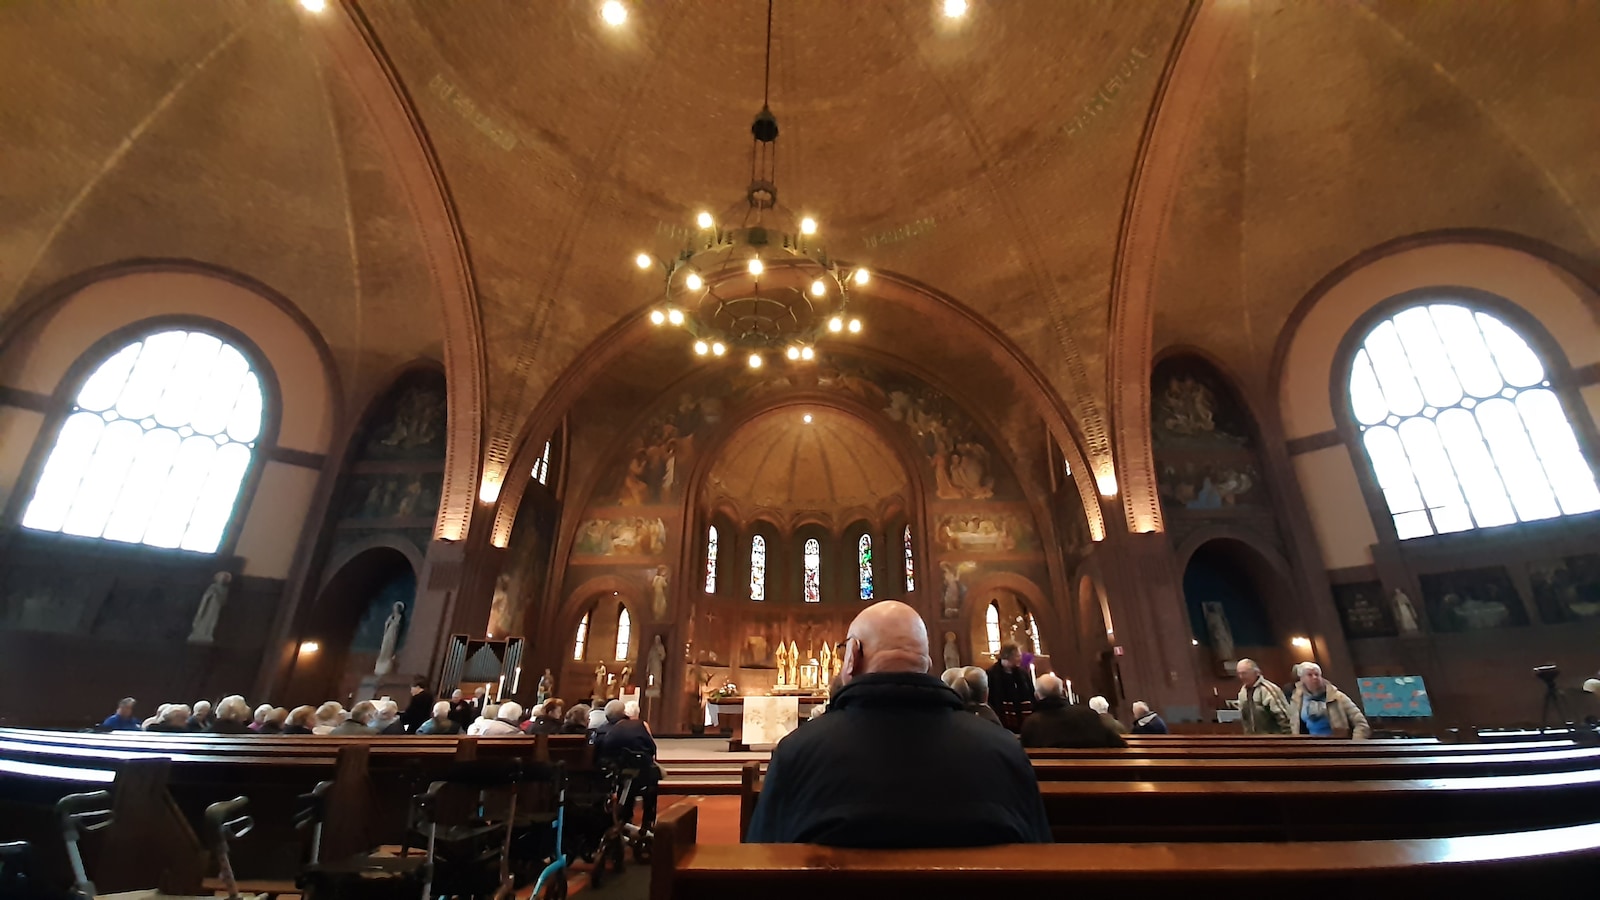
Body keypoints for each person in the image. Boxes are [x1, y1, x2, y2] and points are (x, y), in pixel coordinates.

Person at [747, 600, 1051, 847]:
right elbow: (1041, 860)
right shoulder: (1005, 750)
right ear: (927, 663)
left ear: (851, 657)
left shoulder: (796, 753)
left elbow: (761, 864)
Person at [598, 692, 662, 826]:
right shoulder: (636, 726)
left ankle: (625, 817)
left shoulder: (601, 729)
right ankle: (648, 821)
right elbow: (651, 748)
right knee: (650, 775)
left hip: (613, 772)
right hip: (639, 772)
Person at [1021, 674, 1127, 749]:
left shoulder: (1031, 725)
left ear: (1036, 696)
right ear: (1064, 692)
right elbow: (1118, 744)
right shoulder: (1088, 715)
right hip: (1097, 776)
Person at [1288, 662, 1371, 740]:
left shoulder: (1337, 696)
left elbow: (1361, 723)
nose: (1315, 677)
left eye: (1317, 674)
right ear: (1302, 679)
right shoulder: (1297, 699)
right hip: (1311, 745)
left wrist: (1355, 745)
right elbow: (1293, 725)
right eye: (1310, 675)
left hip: (1338, 744)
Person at [1235, 658, 1291, 735]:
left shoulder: (1268, 689)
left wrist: (1287, 739)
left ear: (1256, 672)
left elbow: (1283, 717)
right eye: (1239, 673)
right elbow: (1244, 720)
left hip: (1273, 739)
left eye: (1244, 673)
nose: (1241, 677)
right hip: (1252, 740)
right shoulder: (1242, 692)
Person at [985, 643, 1035, 725]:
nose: (1020, 658)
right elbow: (992, 699)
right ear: (1008, 656)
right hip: (1002, 719)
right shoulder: (991, 674)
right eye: (1017, 656)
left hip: (1023, 718)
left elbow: (1031, 693)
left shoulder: (1022, 673)